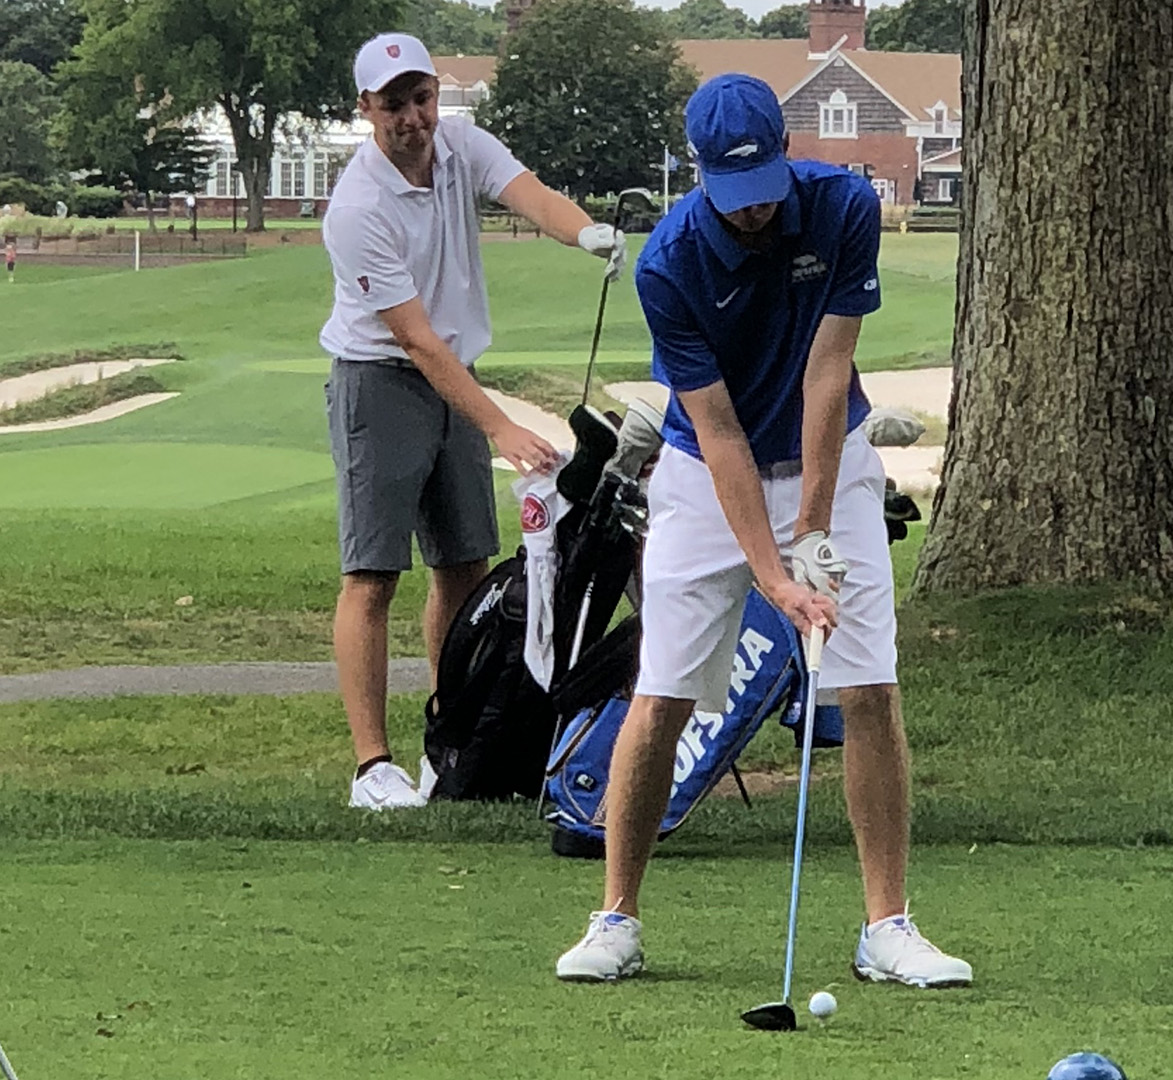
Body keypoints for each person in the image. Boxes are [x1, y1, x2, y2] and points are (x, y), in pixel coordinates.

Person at [554, 73, 972, 989]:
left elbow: (829, 373)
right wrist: (775, 579)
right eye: (733, 196)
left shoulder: (841, 204)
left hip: (832, 459)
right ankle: (615, 917)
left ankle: (886, 928)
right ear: (700, 174)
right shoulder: (667, 264)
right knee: (663, 693)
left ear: (786, 152)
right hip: (709, 479)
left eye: (765, 190)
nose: (754, 213)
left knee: (866, 685)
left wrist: (813, 534)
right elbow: (719, 432)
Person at [319, 32, 627, 809]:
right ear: (366, 110)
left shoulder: (462, 145)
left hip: (454, 376)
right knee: (372, 574)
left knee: (461, 565)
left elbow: (529, 193)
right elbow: (415, 339)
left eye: (422, 98)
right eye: (394, 104)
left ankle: (450, 741)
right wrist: (499, 427)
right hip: (380, 383)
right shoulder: (357, 207)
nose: (413, 117)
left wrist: (584, 231)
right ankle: (371, 767)